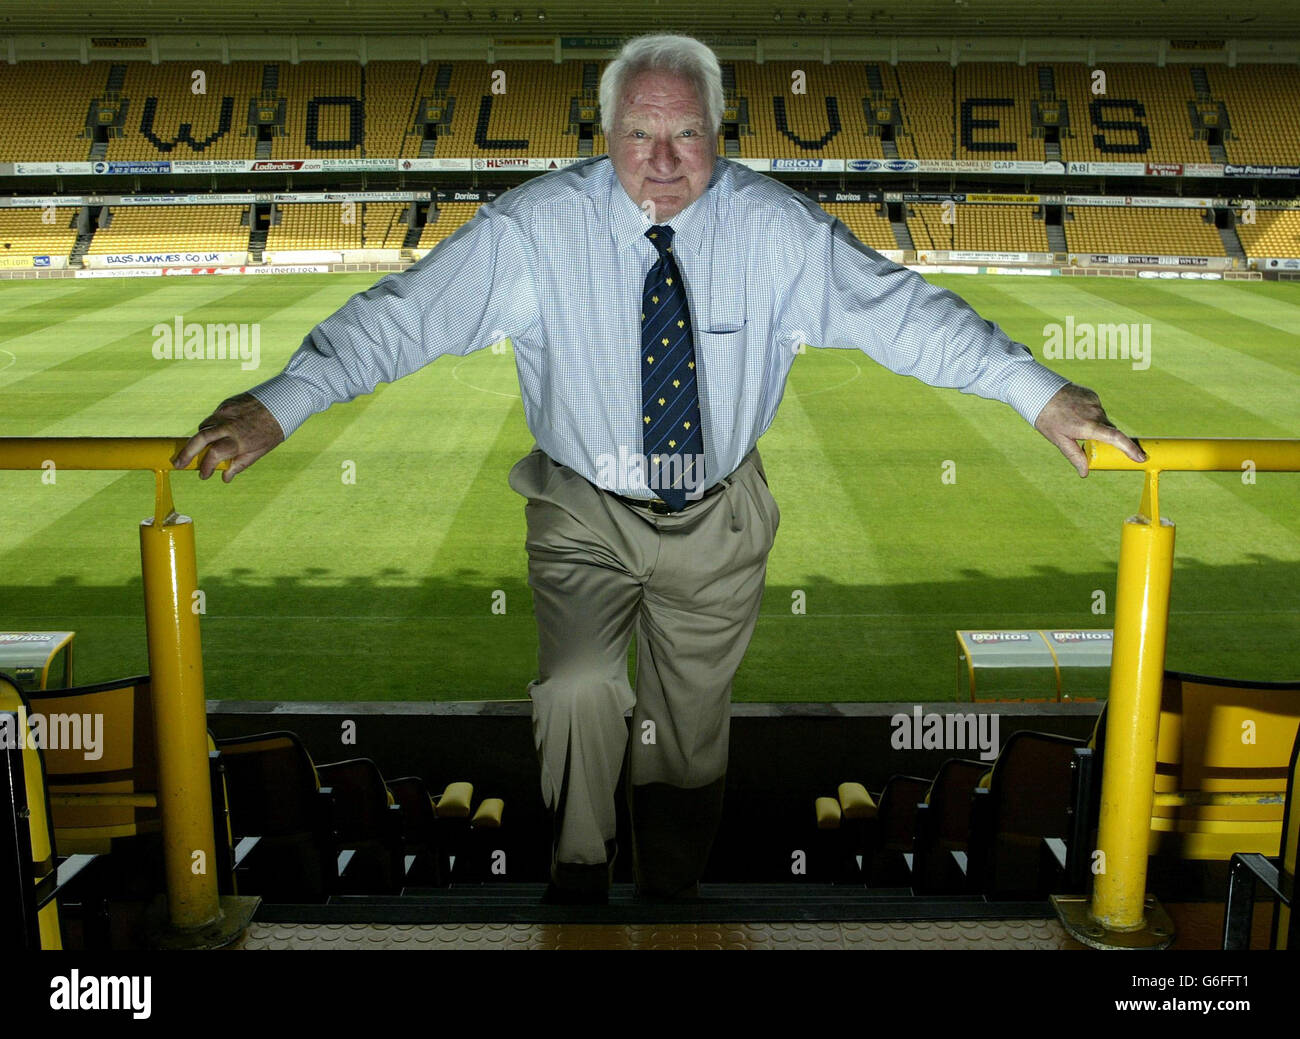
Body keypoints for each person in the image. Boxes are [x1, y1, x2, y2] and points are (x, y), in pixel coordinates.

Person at [176, 33, 1145, 903]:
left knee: (689, 732)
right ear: (606, 133)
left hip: (721, 514)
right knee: (580, 689)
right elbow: (405, 316)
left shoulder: (774, 229)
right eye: (640, 135)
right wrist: (283, 400)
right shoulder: (535, 228)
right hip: (582, 508)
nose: (664, 163)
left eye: (686, 134)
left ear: (717, 132)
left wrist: (1036, 390)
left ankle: (676, 892)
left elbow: (904, 313)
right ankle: (581, 875)